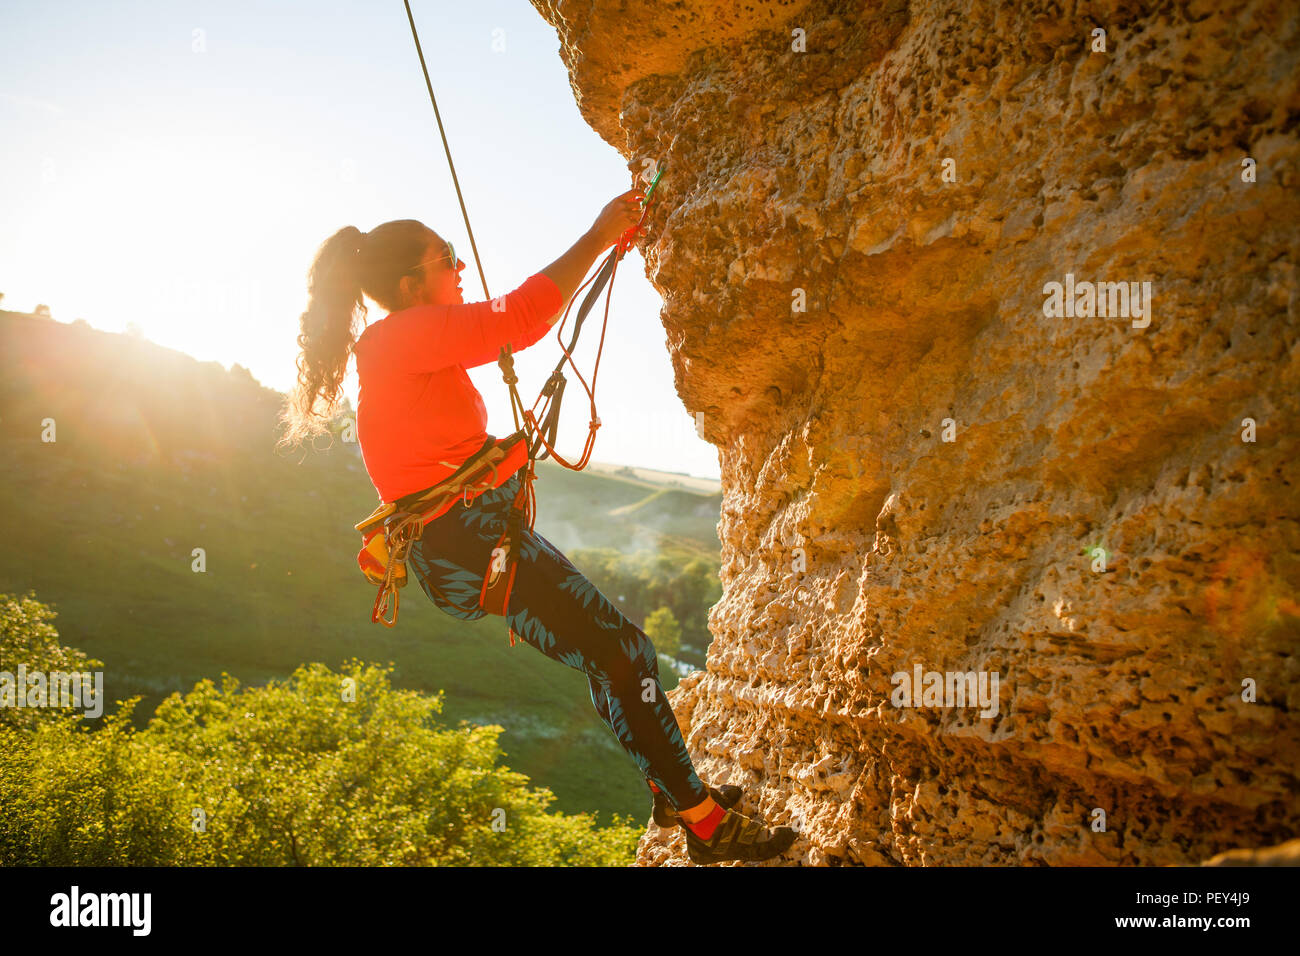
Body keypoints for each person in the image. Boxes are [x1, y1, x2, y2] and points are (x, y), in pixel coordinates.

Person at [279, 187, 795, 864]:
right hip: (471, 544)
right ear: (411, 285)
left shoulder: (396, 344)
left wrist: (504, 454)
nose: (461, 268)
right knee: (628, 655)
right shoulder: (402, 335)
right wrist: (599, 233)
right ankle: (703, 824)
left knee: (609, 659)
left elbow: (435, 451)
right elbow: (520, 318)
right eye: (447, 258)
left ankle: (678, 794)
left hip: (469, 542)